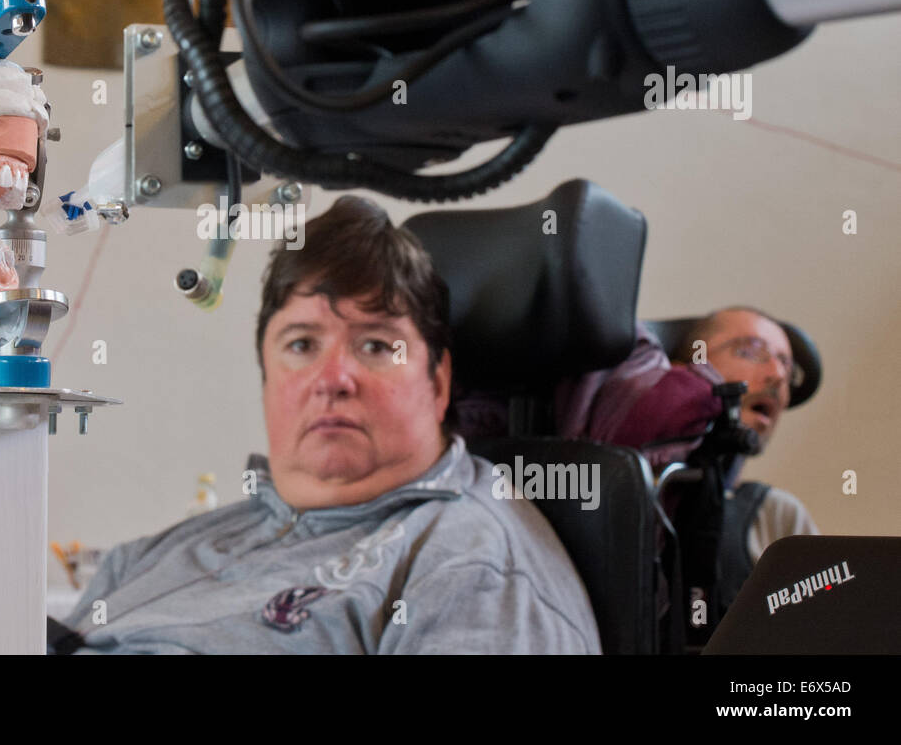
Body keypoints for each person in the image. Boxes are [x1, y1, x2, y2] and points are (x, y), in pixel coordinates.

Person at [56, 195, 601, 654]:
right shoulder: (149, 557)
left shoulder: (472, 569)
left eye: (375, 345)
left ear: (438, 381)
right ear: (267, 376)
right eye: (302, 344)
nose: (333, 378)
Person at [670, 307, 819, 589]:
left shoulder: (778, 522)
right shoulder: (630, 494)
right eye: (749, 352)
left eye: (787, 367)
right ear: (681, 373)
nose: (777, 375)